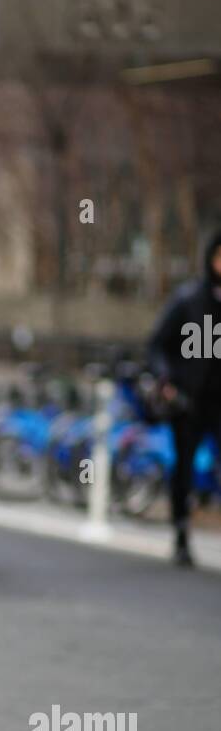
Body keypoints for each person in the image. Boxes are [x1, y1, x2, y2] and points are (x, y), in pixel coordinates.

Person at [146, 228, 221, 566]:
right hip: (188, 401)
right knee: (184, 468)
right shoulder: (188, 299)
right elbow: (156, 344)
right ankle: (181, 532)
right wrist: (167, 380)